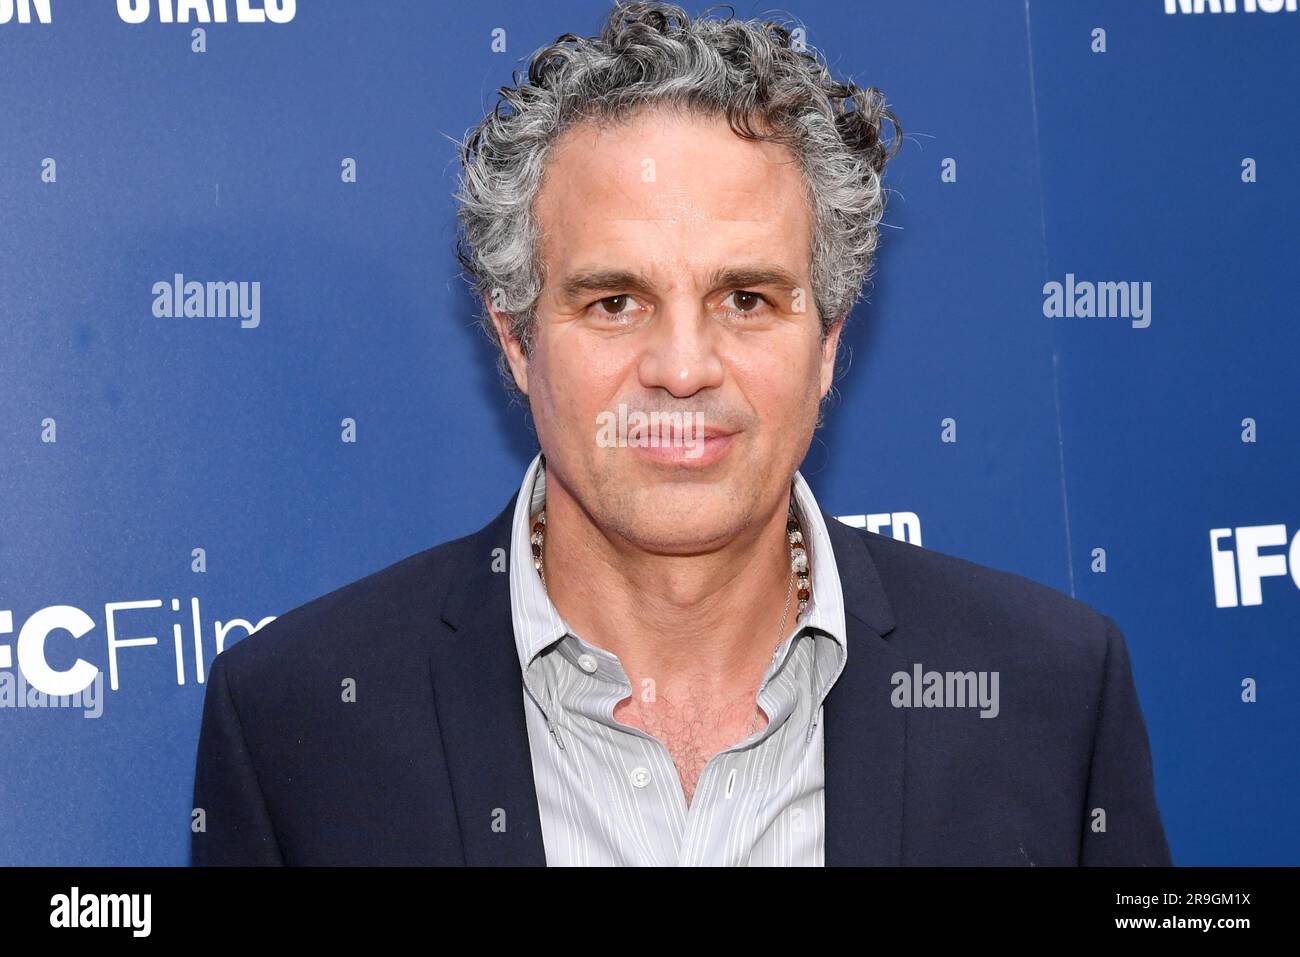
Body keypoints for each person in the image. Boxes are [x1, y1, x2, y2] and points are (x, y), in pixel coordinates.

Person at [191, 0, 1171, 866]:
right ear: (517, 341)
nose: (683, 366)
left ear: (828, 341)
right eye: (615, 302)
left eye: (746, 298)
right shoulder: (298, 718)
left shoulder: (1047, 687)